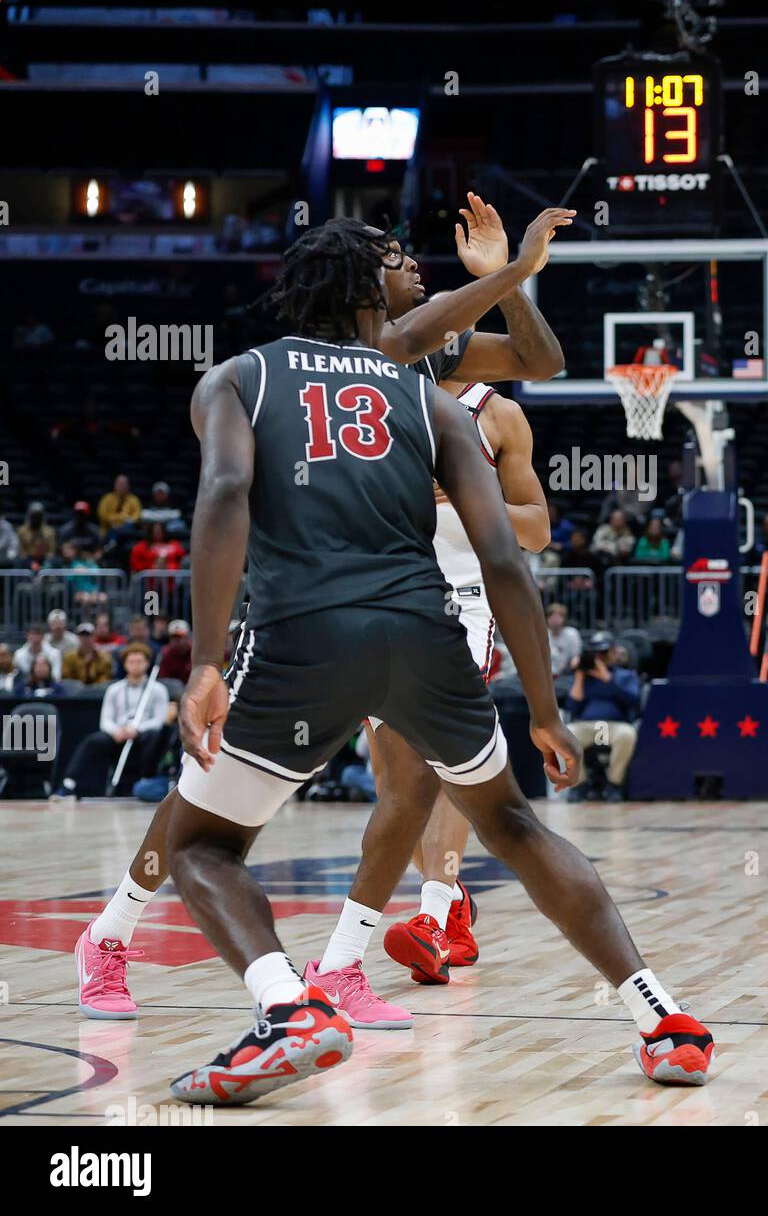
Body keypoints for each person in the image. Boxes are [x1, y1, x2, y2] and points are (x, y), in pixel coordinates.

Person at [84, 206, 711, 1105]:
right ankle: (663, 1017)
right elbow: (505, 557)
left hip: (303, 637)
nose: (413, 267)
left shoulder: (237, 379)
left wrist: (207, 661)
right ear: (359, 290)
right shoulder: (424, 394)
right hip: (427, 637)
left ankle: (287, 1008)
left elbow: (223, 494)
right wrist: (542, 707)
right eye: (394, 259)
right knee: (517, 827)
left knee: (205, 846)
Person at [373, 309, 552, 988]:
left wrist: (467, 498)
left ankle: (429, 911)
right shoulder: (373, 398)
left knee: (441, 763)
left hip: (460, 597)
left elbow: (534, 530)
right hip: (379, 592)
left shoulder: (496, 414)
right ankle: (448, 906)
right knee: (397, 782)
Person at [51, 643, 168, 798]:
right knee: (93, 741)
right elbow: (105, 721)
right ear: (125, 664)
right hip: (118, 736)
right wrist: (117, 731)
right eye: (132, 662)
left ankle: (145, 782)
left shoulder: (158, 689)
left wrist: (137, 730)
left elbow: (158, 720)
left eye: (140, 662)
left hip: (142, 736)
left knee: (153, 735)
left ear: (147, 663)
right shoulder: (114, 689)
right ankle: (69, 785)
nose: (136, 666)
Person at [564, 632, 643, 801]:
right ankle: (580, 785)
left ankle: (614, 784)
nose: (598, 657)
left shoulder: (625, 676)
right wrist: (579, 676)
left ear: (613, 652)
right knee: (562, 736)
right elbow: (572, 707)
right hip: (586, 725)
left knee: (627, 735)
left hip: (615, 726)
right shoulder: (583, 678)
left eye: (603, 652)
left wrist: (607, 678)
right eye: (595, 653)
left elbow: (632, 701)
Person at [62, 622, 114, 686]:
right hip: (74, 695)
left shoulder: (104, 657)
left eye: (88, 635)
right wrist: (86, 667)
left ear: (94, 637)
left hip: (98, 694)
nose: (85, 639)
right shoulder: (69, 658)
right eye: (82, 635)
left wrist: (88, 668)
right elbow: (67, 681)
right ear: (78, 637)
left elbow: (104, 682)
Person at [97, 474, 142, 538]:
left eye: (124, 485)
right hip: (108, 531)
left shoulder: (134, 500)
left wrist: (119, 522)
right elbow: (102, 515)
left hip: (127, 531)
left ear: (128, 486)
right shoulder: (107, 498)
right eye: (120, 484)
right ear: (115, 485)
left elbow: (137, 517)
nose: (122, 487)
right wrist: (123, 518)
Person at [546, 602, 581, 676]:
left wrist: (573, 668)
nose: (555, 620)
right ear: (547, 619)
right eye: (552, 616)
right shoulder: (542, 633)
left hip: (566, 674)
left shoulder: (572, 633)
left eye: (558, 617)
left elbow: (575, 657)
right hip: (545, 674)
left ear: (564, 619)